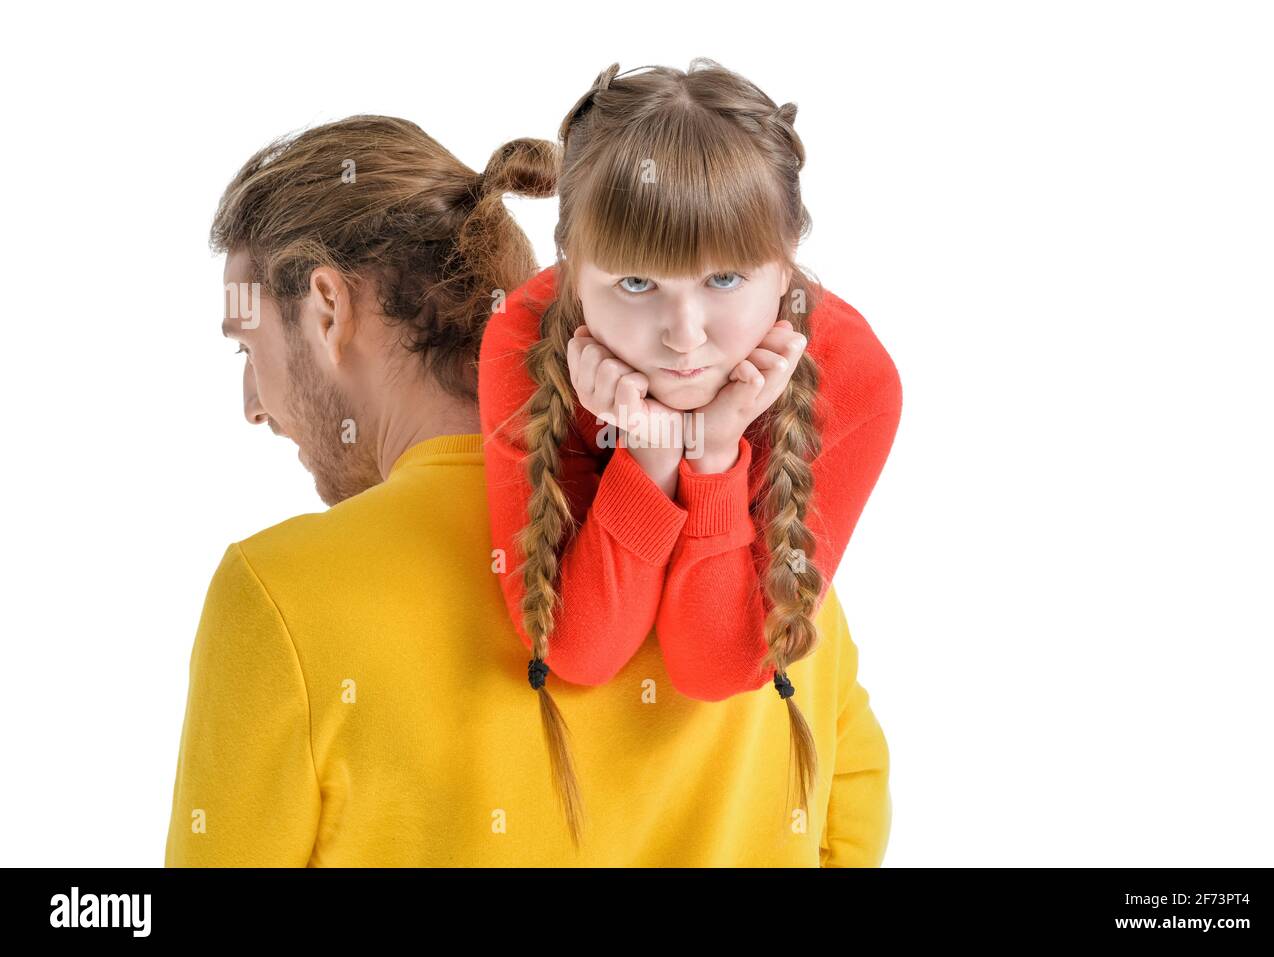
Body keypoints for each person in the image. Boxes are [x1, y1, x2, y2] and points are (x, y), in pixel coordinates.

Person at [165, 112, 890, 867]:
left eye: (250, 347)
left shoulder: (275, 595)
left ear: (327, 308)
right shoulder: (767, 546)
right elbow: (852, 822)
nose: (253, 402)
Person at [479, 60, 903, 844]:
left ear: (786, 264)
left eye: (726, 278)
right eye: (636, 283)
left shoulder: (855, 378)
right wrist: (648, 453)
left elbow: (714, 666)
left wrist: (712, 454)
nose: (683, 334)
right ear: (572, 270)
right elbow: (577, 649)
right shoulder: (523, 336)